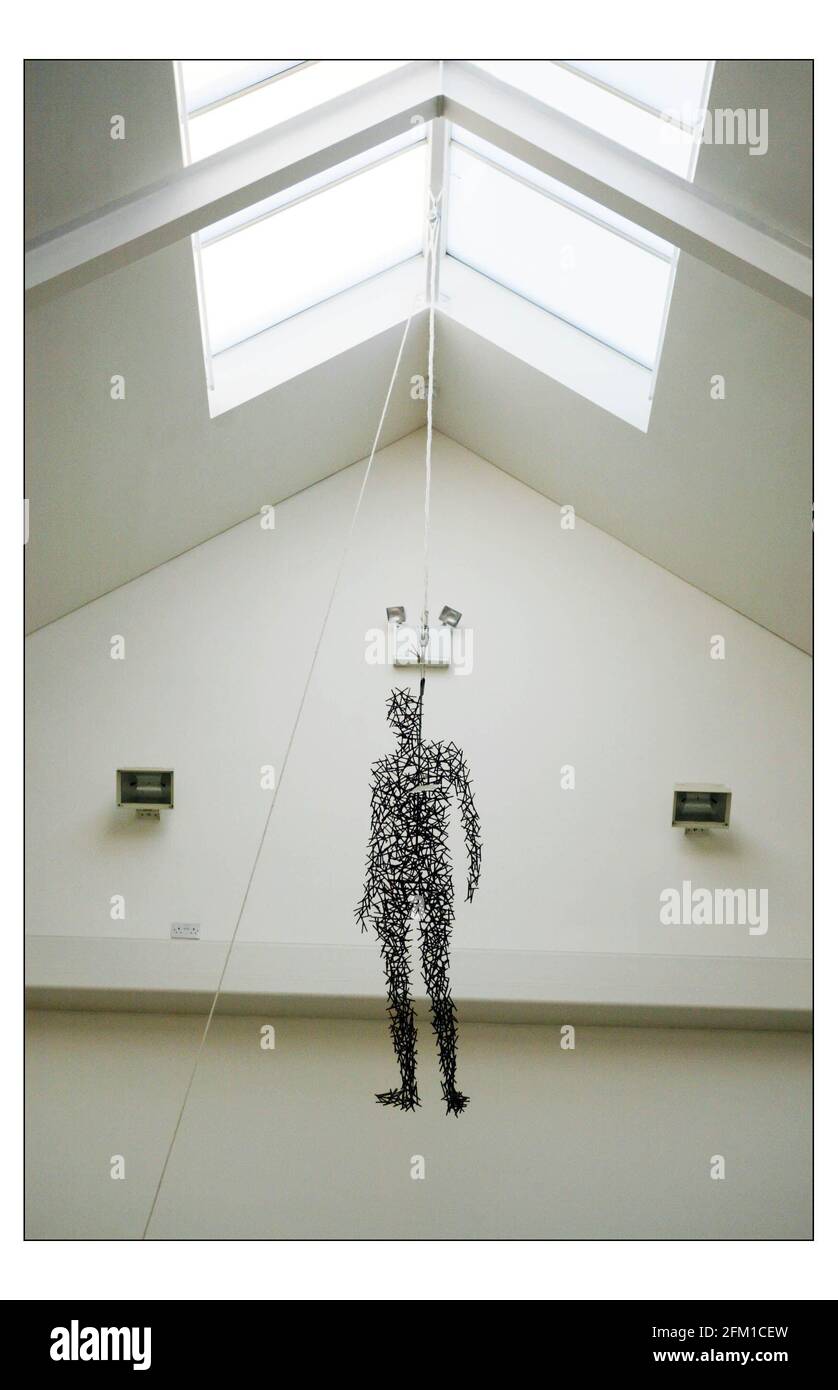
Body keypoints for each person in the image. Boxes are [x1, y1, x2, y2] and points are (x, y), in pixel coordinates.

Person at [356, 679, 482, 1114]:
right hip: (400, 878)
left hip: (429, 877)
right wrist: (371, 891)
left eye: (408, 713)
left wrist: (473, 868)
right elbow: (378, 838)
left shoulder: (444, 760)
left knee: (435, 977)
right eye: (399, 717)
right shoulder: (388, 771)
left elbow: (468, 816)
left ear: (416, 716)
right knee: (399, 981)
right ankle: (410, 1085)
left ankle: (447, 1086)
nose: (404, 722)